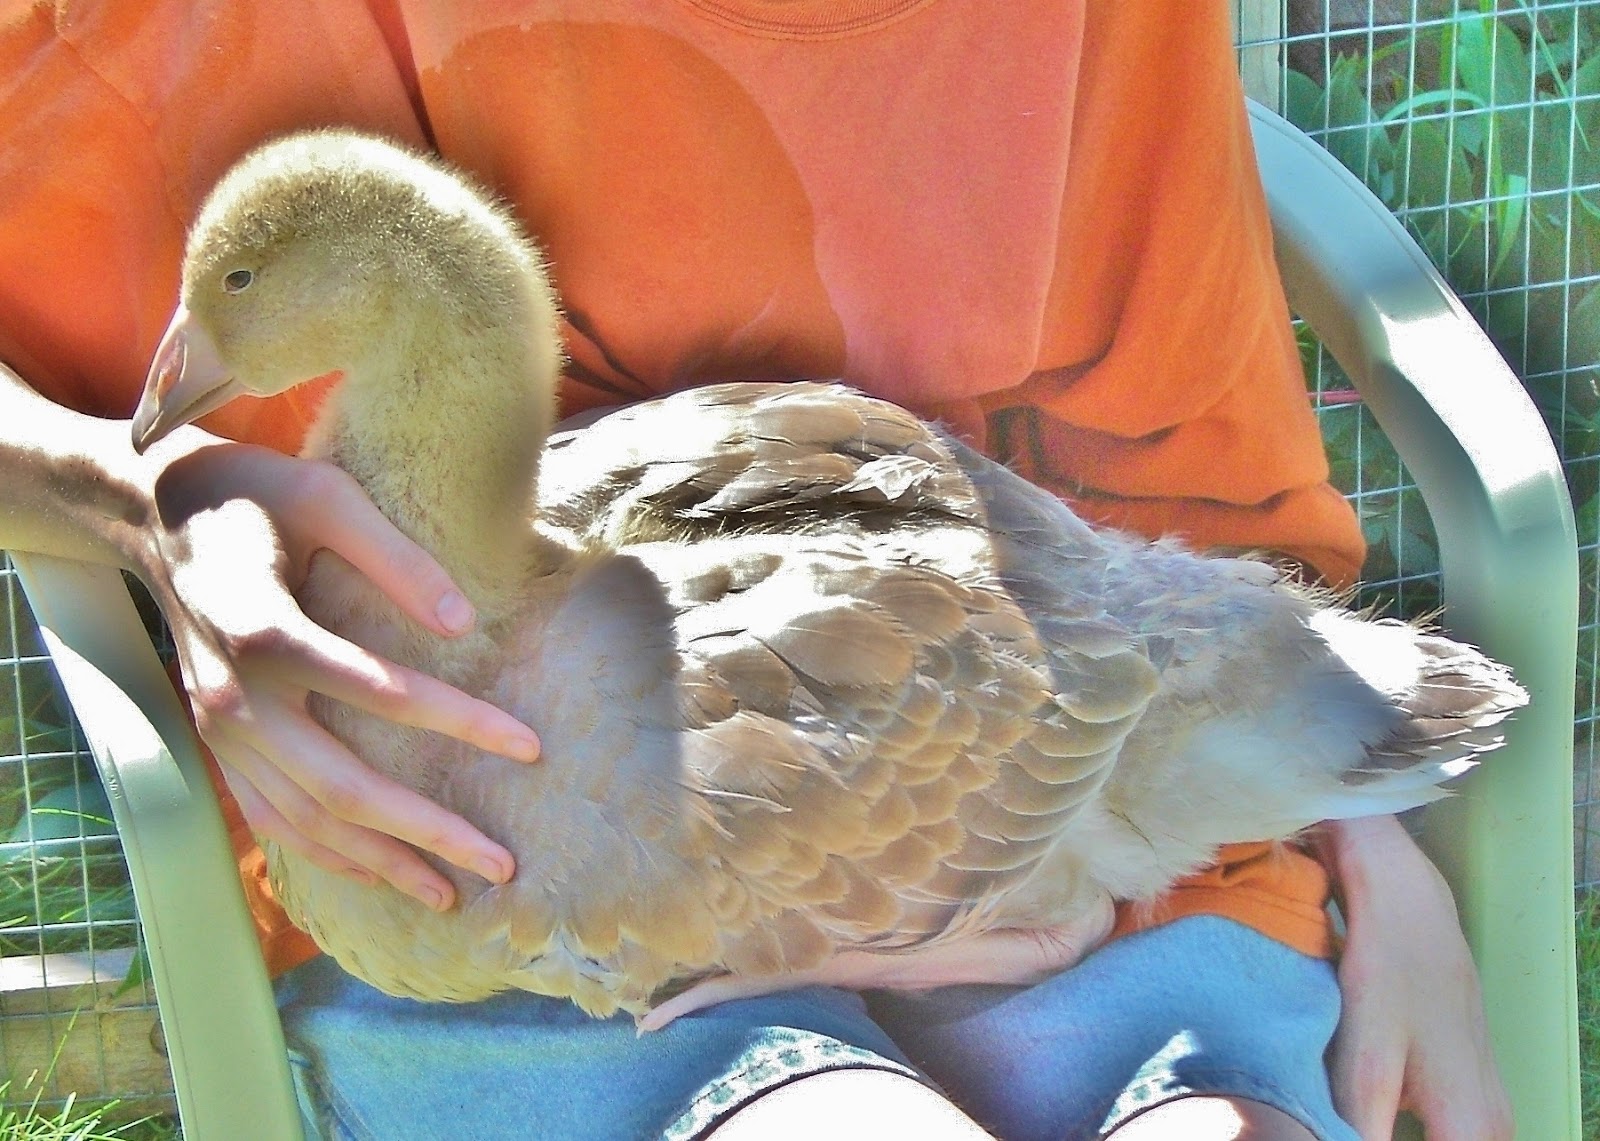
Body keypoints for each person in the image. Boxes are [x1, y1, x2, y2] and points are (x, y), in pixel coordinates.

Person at [0, 2, 1510, 1138]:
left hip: (1093, 853)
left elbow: (1200, 517)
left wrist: (1360, 825)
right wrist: (157, 494)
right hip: (527, 950)